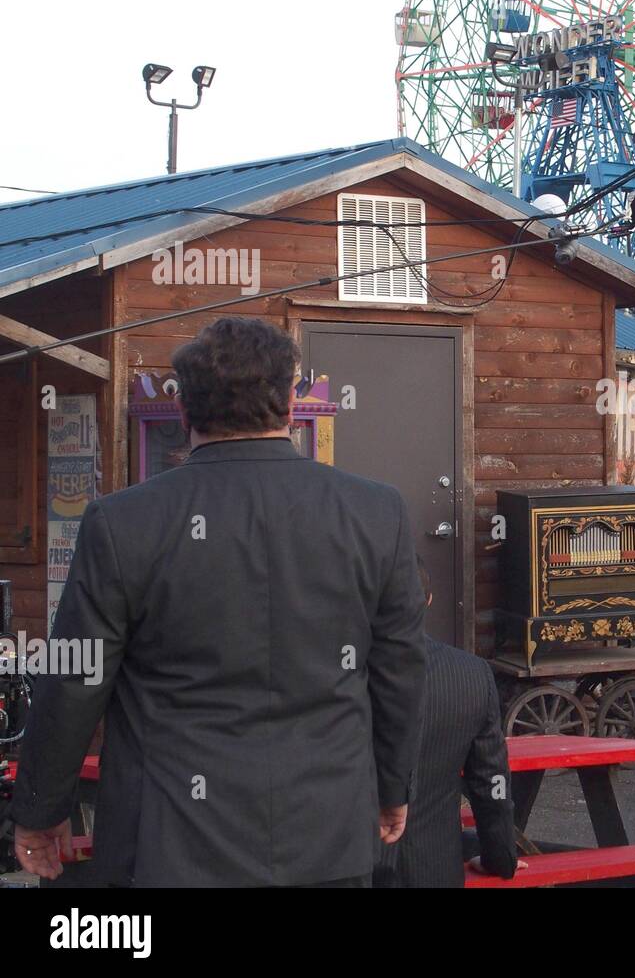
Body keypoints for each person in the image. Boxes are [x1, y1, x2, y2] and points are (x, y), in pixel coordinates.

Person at [10, 317, 426, 887]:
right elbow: (399, 669)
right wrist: (393, 787)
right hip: (326, 834)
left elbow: (76, 679)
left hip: (169, 842)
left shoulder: (123, 522)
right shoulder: (376, 512)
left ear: (185, 411)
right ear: (288, 402)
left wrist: (39, 810)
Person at [375, 558, 519, 888]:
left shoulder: (341, 677)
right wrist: (501, 859)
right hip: (435, 869)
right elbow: (492, 783)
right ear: (428, 600)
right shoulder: (472, 674)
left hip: (354, 868)